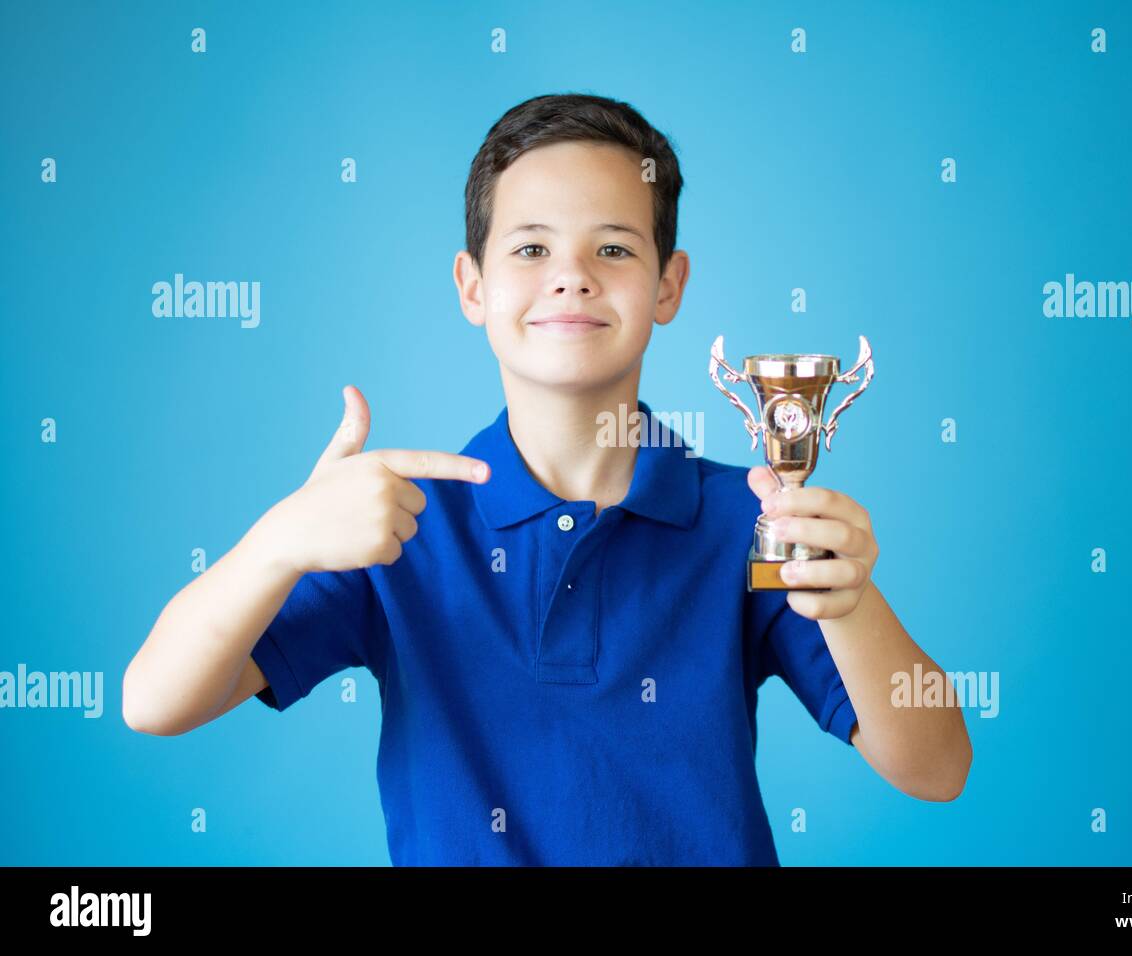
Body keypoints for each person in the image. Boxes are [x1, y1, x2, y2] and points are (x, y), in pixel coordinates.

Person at [124, 92, 971, 865]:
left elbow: (937, 768)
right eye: (531, 247)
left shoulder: (746, 518)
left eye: (613, 246)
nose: (572, 275)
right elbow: (153, 702)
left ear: (669, 285)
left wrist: (850, 602)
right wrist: (277, 544)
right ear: (472, 285)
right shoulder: (395, 524)